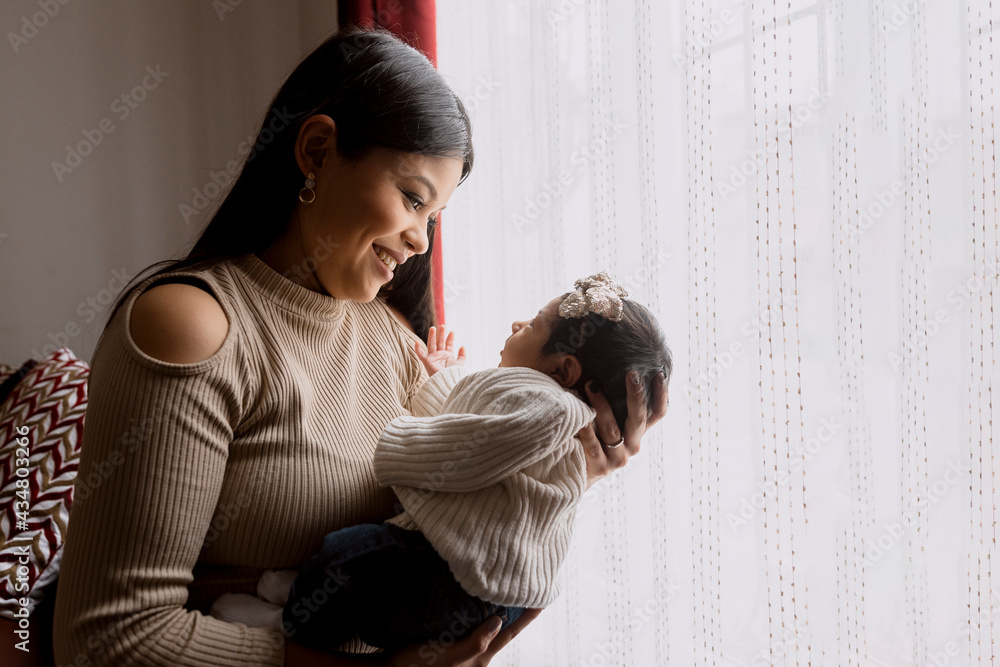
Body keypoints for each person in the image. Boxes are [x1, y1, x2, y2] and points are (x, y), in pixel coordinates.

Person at [52, 27, 668, 667]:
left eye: (434, 217)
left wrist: (569, 469)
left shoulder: (401, 343)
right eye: (411, 198)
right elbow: (107, 641)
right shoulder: (194, 324)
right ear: (316, 150)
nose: (422, 242)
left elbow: (446, 553)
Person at [208, 273, 673, 655]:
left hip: (454, 580)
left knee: (347, 557)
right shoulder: (549, 410)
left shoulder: (549, 408)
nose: (516, 324)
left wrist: (398, 441)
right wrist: (444, 373)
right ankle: (304, 600)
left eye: (532, 325)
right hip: (485, 592)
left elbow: (469, 445)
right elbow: (472, 425)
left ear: (564, 371)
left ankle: (287, 619)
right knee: (356, 570)